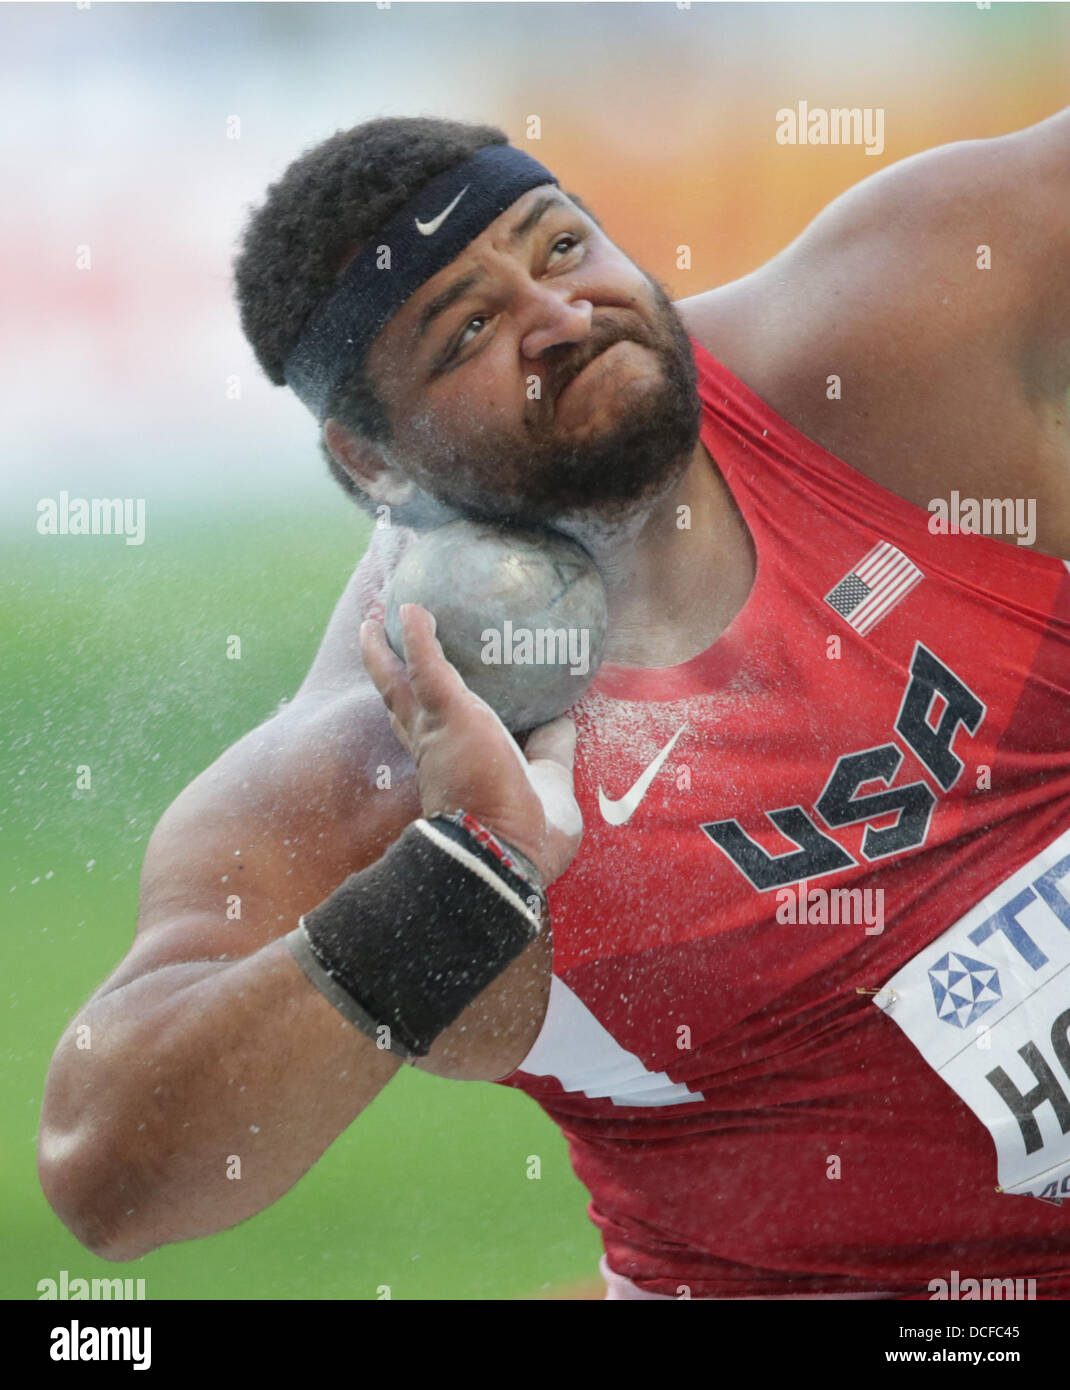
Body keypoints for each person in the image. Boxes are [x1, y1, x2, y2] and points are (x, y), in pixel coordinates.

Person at [38, 113, 1070, 1299]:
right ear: (370, 463)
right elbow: (104, 1172)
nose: (561, 317)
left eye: (562, 247)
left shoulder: (882, 341)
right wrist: (456, 882)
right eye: (470, 328)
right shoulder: (381, 761)